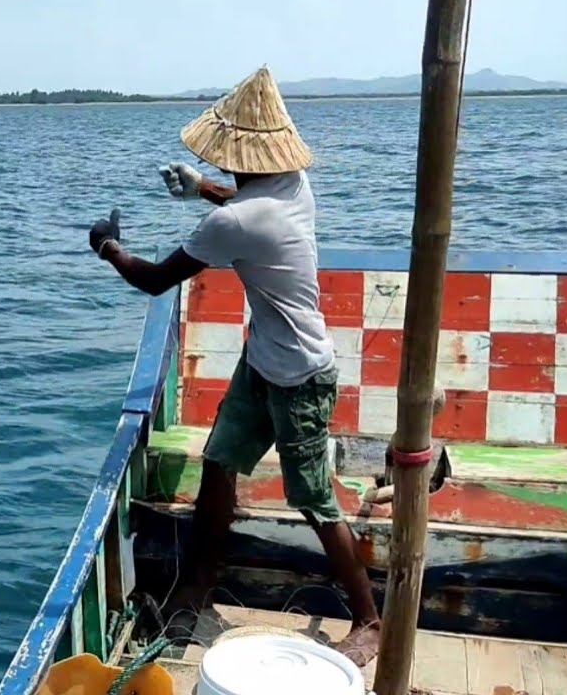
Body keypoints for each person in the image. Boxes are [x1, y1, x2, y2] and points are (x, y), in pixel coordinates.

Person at [86, 65, 382, 666]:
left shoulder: (236, 222)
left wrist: (106, 245)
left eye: (223, 162)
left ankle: (371, 620)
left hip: (301, 375)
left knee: (315, 498)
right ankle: (196, 585)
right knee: (220, 464)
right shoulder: (293, 184)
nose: (222, 172)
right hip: (262, 361)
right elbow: (246, 199)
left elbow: (154, 279)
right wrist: (201, 187)